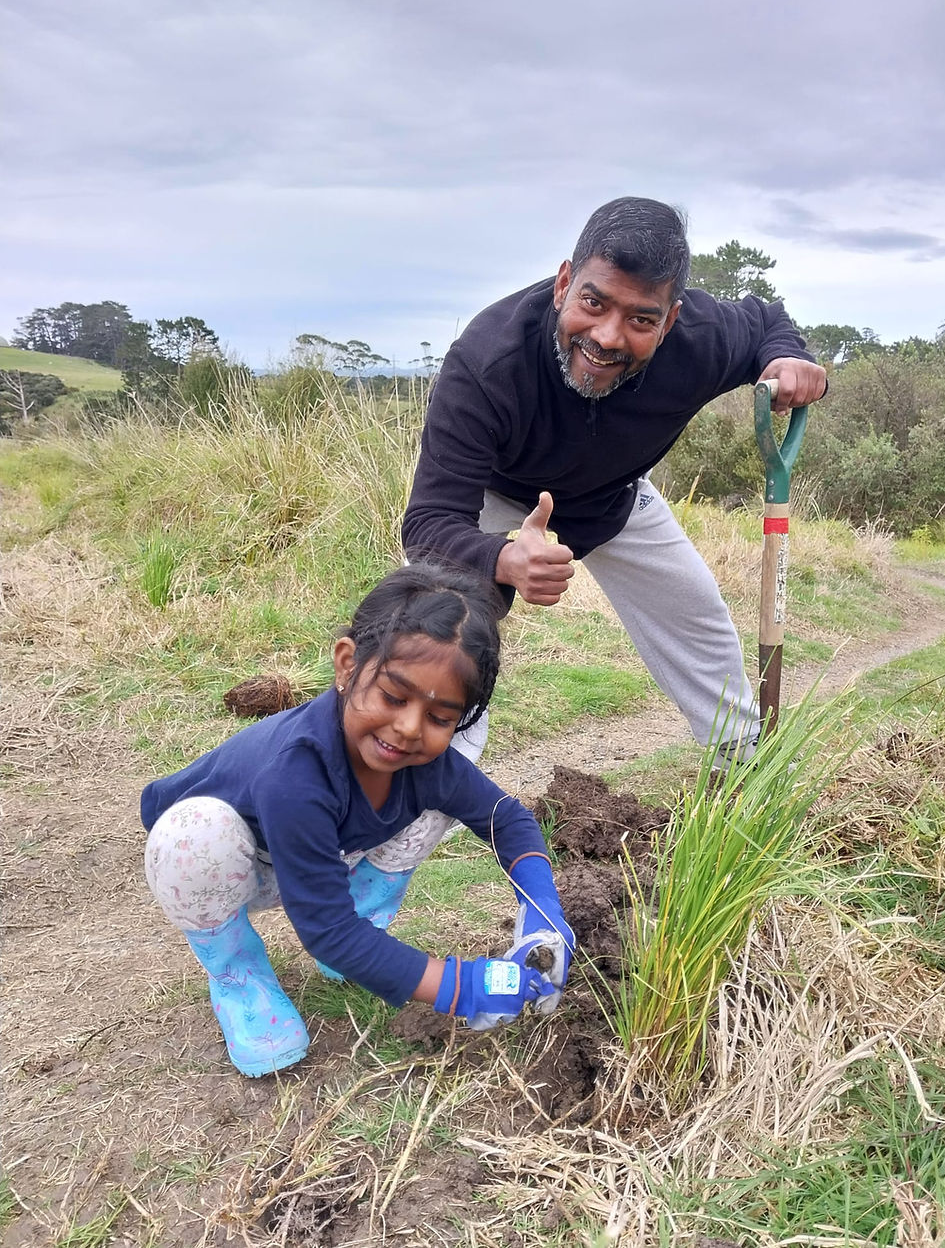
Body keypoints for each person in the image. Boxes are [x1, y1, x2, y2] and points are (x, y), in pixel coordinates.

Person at [403, 197, 828, 766]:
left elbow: (766, 321)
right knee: (432, 640)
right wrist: (504, 559)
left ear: (671, 319)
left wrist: (787, 356)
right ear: (563, 284)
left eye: (641, 320)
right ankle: (406, 810)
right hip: (500, 504)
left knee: (701, 621)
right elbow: (428, 525)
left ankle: (748, 777)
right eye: (593, 302)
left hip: (616, 497)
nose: (607, 336)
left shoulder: (699, 339)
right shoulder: (486, 362)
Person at [141, 562, 573, 1078]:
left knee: (437, 800)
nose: (409, 727)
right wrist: (461, 986)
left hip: (327, 852)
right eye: (393, 696)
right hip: (234, 861)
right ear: (347, 665)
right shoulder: (295, 773)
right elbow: (326, 929)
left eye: (440, 718)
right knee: (190, 836)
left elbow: (509, 819)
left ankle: (368, 917)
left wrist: (543, 913)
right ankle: (238, 975)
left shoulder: (424, 761)